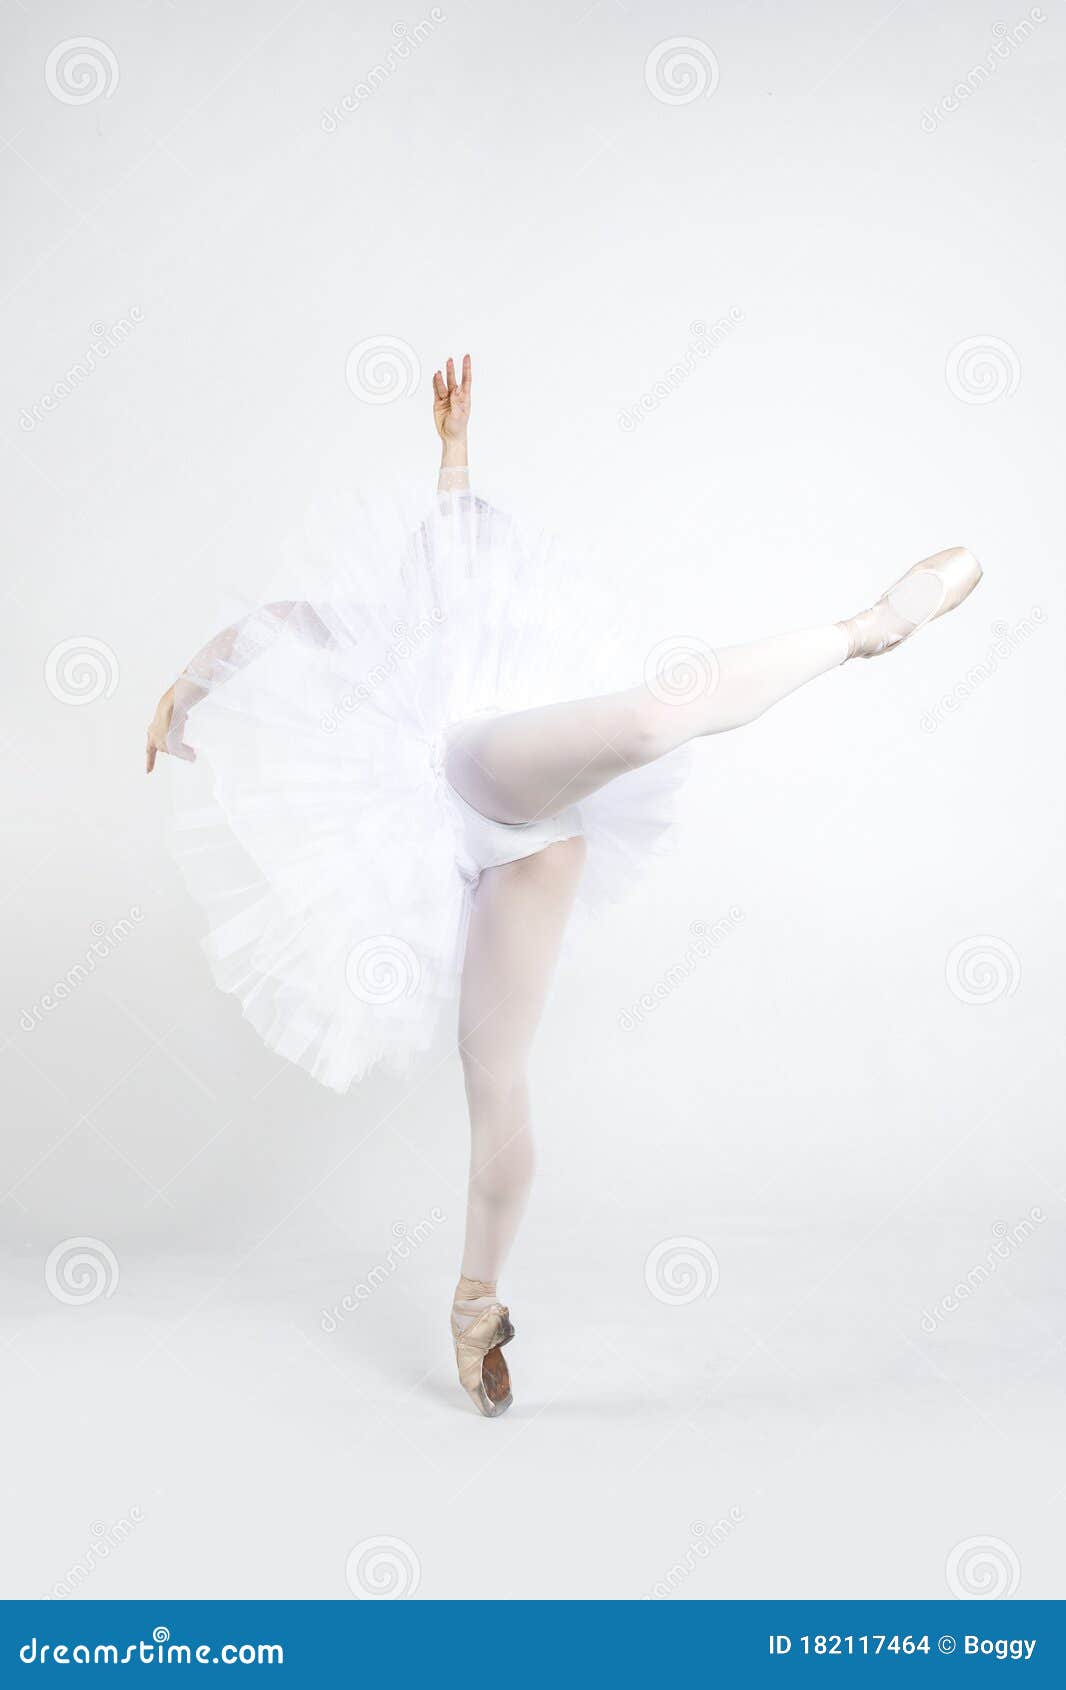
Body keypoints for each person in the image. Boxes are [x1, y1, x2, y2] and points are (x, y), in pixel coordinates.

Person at [146, 354, 982, 1417]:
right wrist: (186, 685)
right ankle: (474, 1306)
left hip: (515, 796)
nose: (465, 570)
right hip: (451, 807)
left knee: (643, 719)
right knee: (490, 1080)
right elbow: (279, 620)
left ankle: (867, 631)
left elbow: (460, 542)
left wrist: (454, 453)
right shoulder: (403, 629)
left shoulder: (501, 638)